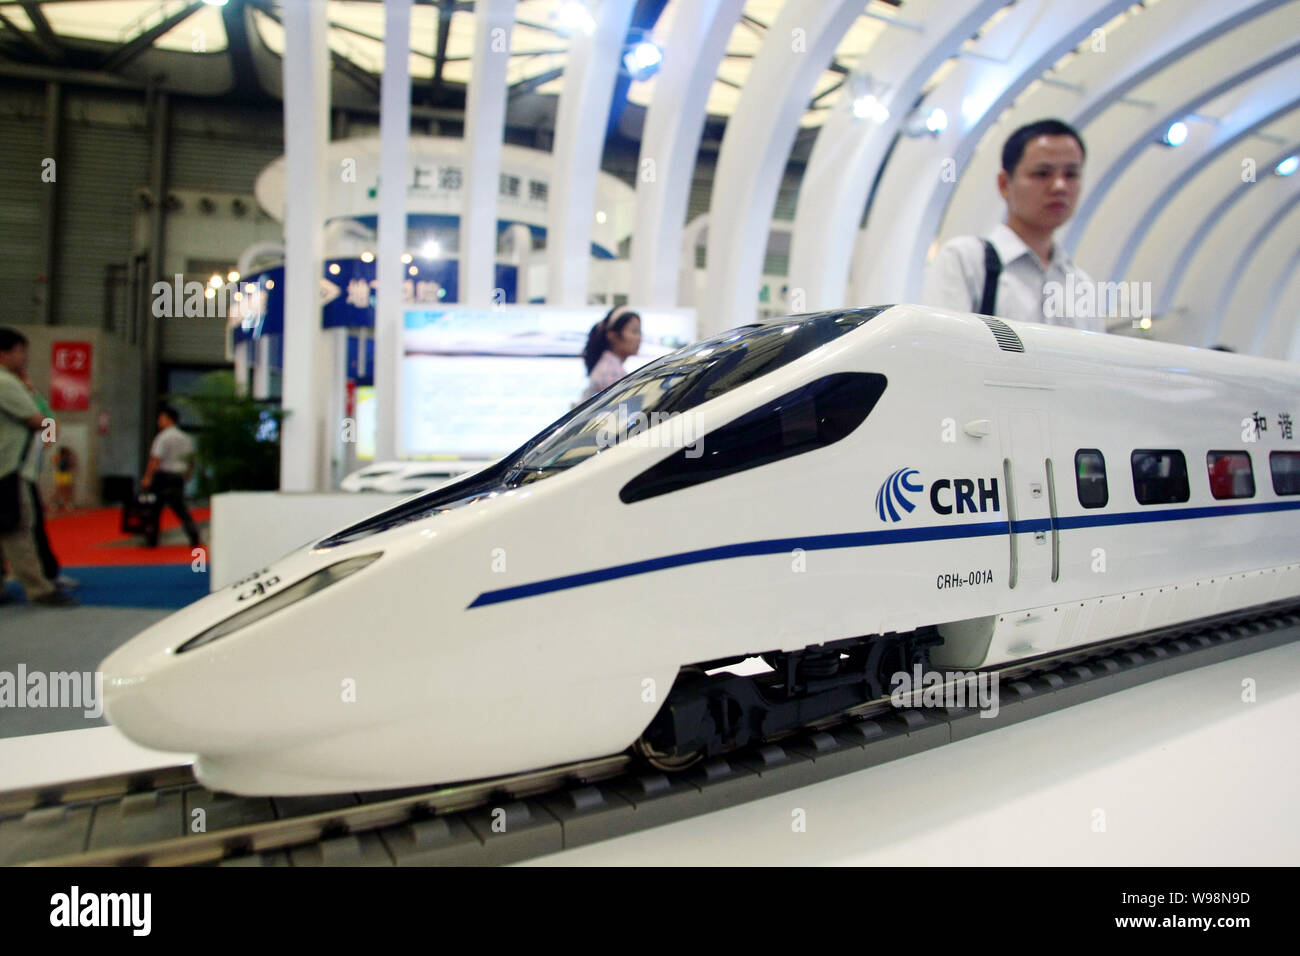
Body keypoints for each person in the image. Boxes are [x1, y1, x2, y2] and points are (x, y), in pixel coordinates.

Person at [922, 119, 1103, 333]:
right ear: (1004, 184)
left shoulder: (1081, 285)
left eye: (1071, 174)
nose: (1059, 186)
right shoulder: (966, 260)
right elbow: (945, 349)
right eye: (1042, 173)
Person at [0, 327, 75, 606]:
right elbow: (40, 421)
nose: (25, 358)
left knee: (6, 527)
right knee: (18, 528)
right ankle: (39, 589)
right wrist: (31, 390)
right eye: (21, 351)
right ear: (5, 354)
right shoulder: (6, 383)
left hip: (10, 467)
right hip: (9, 468)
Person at [141, 404, 201, 548]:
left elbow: (155, 459)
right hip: (177, 477)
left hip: (163, 476)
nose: (159, 421)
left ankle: (152, 539)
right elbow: (191, 459)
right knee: (180, 508)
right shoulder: (185, 438)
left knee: (155, 509)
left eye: (161, 418)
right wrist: (188, 473)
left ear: (169, 419)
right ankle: (193, 534)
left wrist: (147, 477)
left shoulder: (162, 437)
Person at [579, 306, 642, 402]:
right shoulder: (612, 372)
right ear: (613, 336)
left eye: (640, 332)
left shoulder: (608, 364)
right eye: (634, 331)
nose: (639, 338)